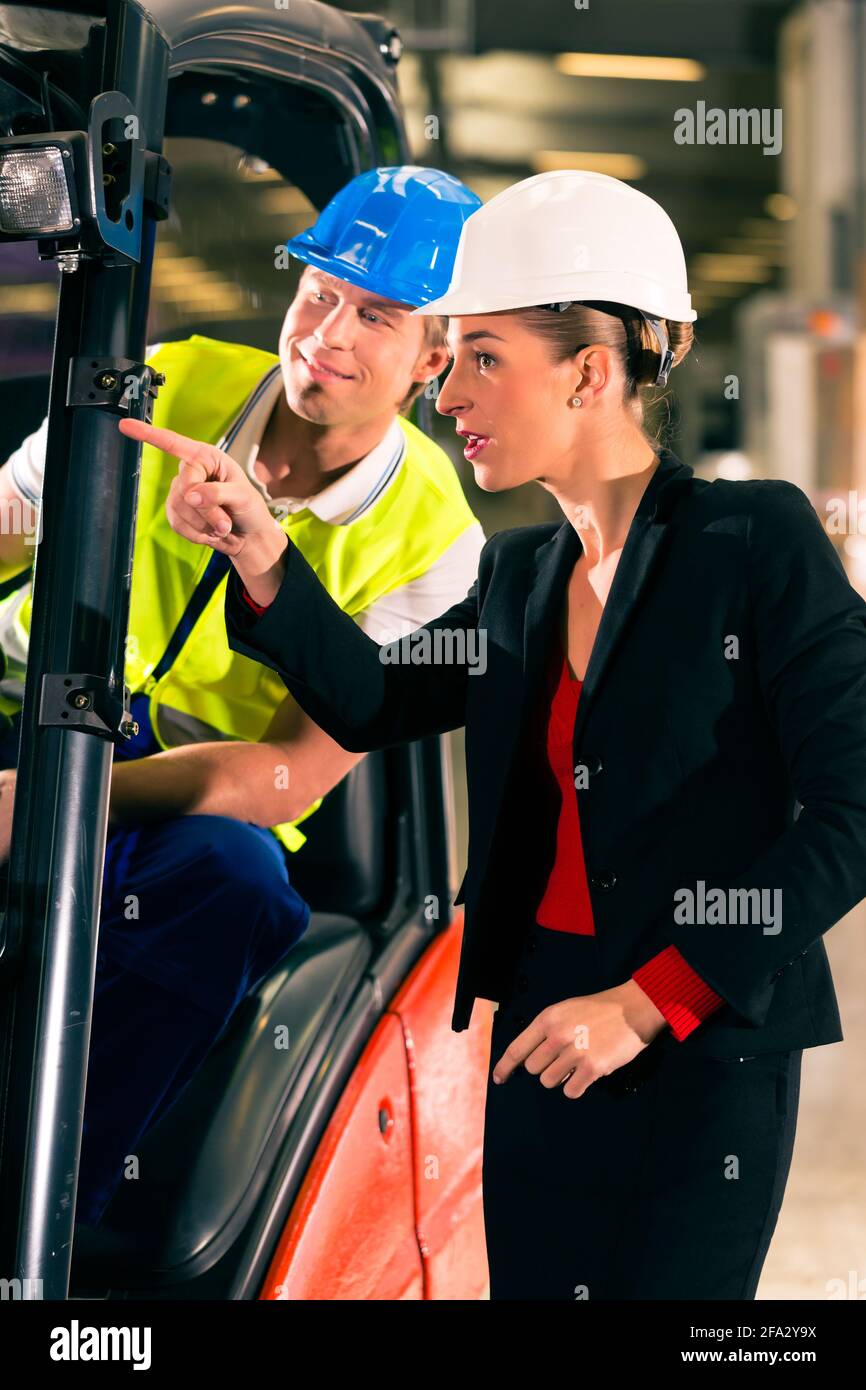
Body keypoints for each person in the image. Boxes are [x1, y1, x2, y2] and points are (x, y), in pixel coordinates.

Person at [121, 169, 866, 1301]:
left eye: (479, 358)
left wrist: (647, 999)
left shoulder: (747, 540)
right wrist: (261, 551)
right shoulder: (521, 574)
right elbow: (375, 699)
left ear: (588, 372)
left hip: (690, 1047)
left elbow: (849, 812)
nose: (444, 391)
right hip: (529, 1030)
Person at [0, 164, 484, 1228]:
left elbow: (286, 775)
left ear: (434, 356)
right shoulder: (174, 378)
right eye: (318, 294)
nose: (327, 337)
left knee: (236, 890)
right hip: (18, 709)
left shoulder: (438, 546)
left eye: (376, 316)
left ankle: (45, 1215)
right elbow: (12, 520)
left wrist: (42, 800)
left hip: (181, 799)